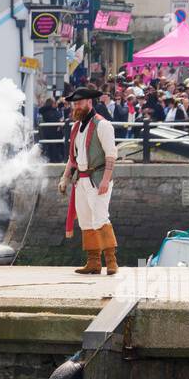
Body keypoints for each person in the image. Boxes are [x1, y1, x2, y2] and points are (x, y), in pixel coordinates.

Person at [57, 86, 118, 275]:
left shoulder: (103, 125)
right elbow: (72, 158)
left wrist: (106, 180)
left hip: (98, 177)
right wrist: (65, 177)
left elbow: (111, 155)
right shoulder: (76, 127)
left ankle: (111, 261)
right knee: (85, 221)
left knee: (100, 218)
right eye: (75, 103)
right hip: (81, 180)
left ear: (89, 102)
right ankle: (93, 262)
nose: (76, 106)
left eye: (79, 102)